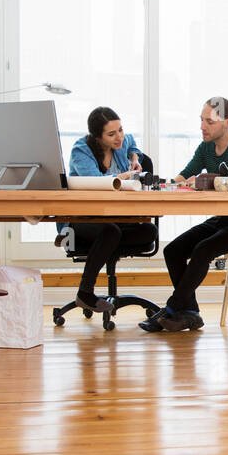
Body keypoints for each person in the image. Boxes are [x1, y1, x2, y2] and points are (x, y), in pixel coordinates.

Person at [139, 97, 228, 332]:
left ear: (227, 122)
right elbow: (185, 174)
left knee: (202, 250)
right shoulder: (206, 148)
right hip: (221, 220)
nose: (202, 127)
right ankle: (190, 312)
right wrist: (164, 185)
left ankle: (173, 308)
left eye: (209, 121)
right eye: (201, 120)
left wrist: (207, 179)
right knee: (172, 250)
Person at [60, 106, 159, 315]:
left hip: (116, 220)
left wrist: (134, 157)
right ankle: (85, 292)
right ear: (97, 136)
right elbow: (99, 184)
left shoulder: (122, 143)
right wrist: (125, 176)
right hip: (83, 221)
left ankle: (104, 247)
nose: (119, 137)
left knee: (149, 231)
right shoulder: (81, 151)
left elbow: (131, 141)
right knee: (110, 232)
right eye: (111, 134)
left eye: (120, 130)